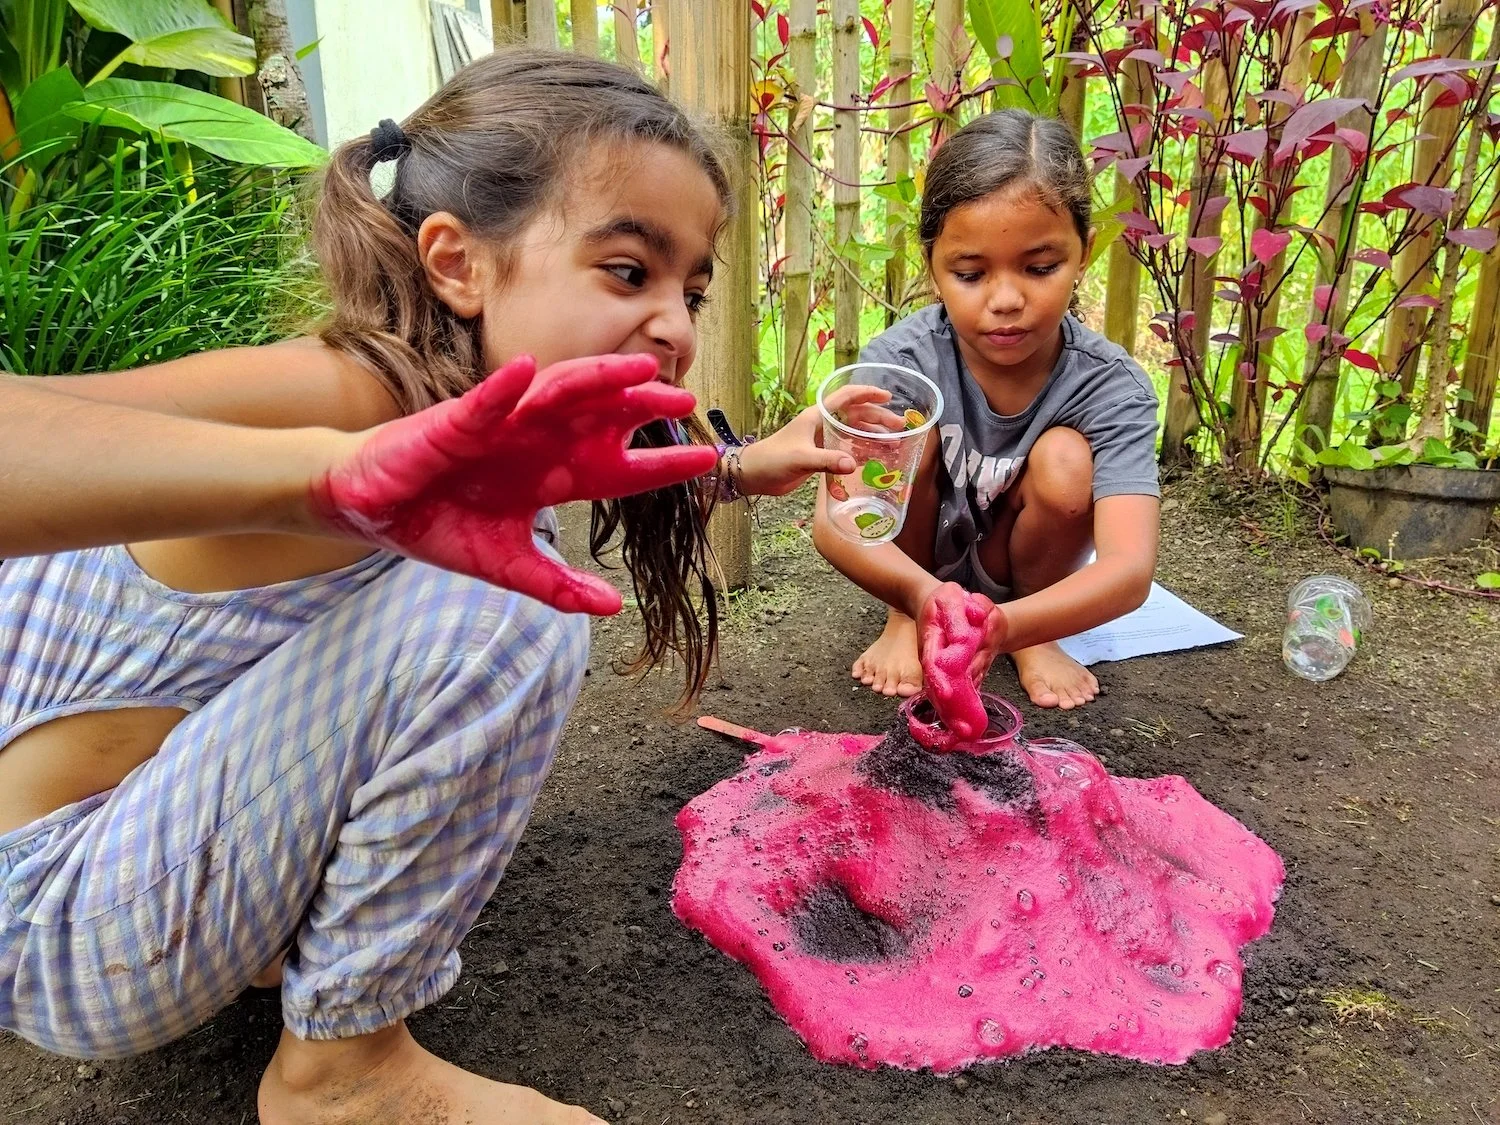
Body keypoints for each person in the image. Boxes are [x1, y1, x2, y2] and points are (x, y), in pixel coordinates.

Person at [0, 50, 869, 1125]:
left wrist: (741, 466)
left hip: (111, 868)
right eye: (629, 272)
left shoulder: (441, 404)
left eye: (690, 289)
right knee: (506, 602)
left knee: (499, 560)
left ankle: (276, 934)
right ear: (458, 264)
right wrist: (323, 481)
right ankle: (346, 1074)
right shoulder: (349, 392)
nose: (678, 327)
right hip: (57, 920)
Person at [813, 109, 1162, 713]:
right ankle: (903, 616)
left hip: (1019, 576)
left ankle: (1036, 626)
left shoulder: (1113, 388)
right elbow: (835, 522)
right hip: (913, 565)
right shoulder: (900, 361)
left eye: (1040, 268)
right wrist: (923, 600)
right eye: (971, 273)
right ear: (934, 267)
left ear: (1086, 251)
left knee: (1067, 460)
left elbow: (1130, 568)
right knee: (901, 431)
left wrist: (1004, 626)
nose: (1006, 300)